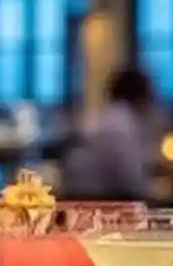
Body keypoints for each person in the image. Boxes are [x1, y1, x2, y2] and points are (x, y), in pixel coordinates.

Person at [61, 67, 159, 201]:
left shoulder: (108, 117)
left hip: (79, 195)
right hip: (97, 200)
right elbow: (132, 181)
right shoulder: (121, 125)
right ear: (141, 96)